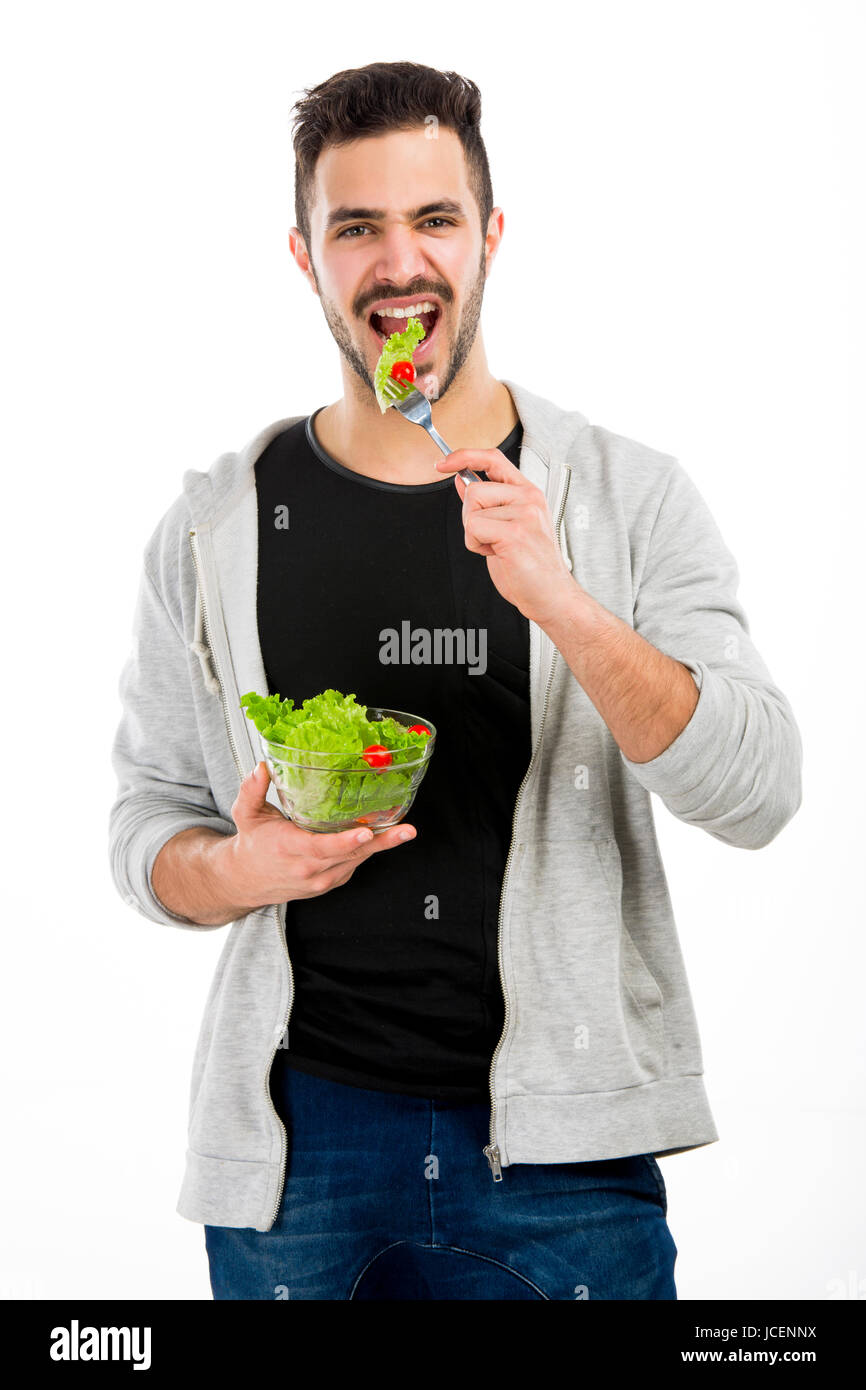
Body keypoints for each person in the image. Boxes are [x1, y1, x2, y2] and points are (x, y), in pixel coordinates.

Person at [108, 60, 803, 1301]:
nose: (398, 263)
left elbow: (756, 790)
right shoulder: (216, 525)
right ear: (303, 255)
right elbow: (147, 821)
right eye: (355, 227)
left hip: (564, 1154)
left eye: (432, 220)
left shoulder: (624, 496)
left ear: (488, 236)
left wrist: (562, 601)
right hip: (296, 1154)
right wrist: (235, 868)